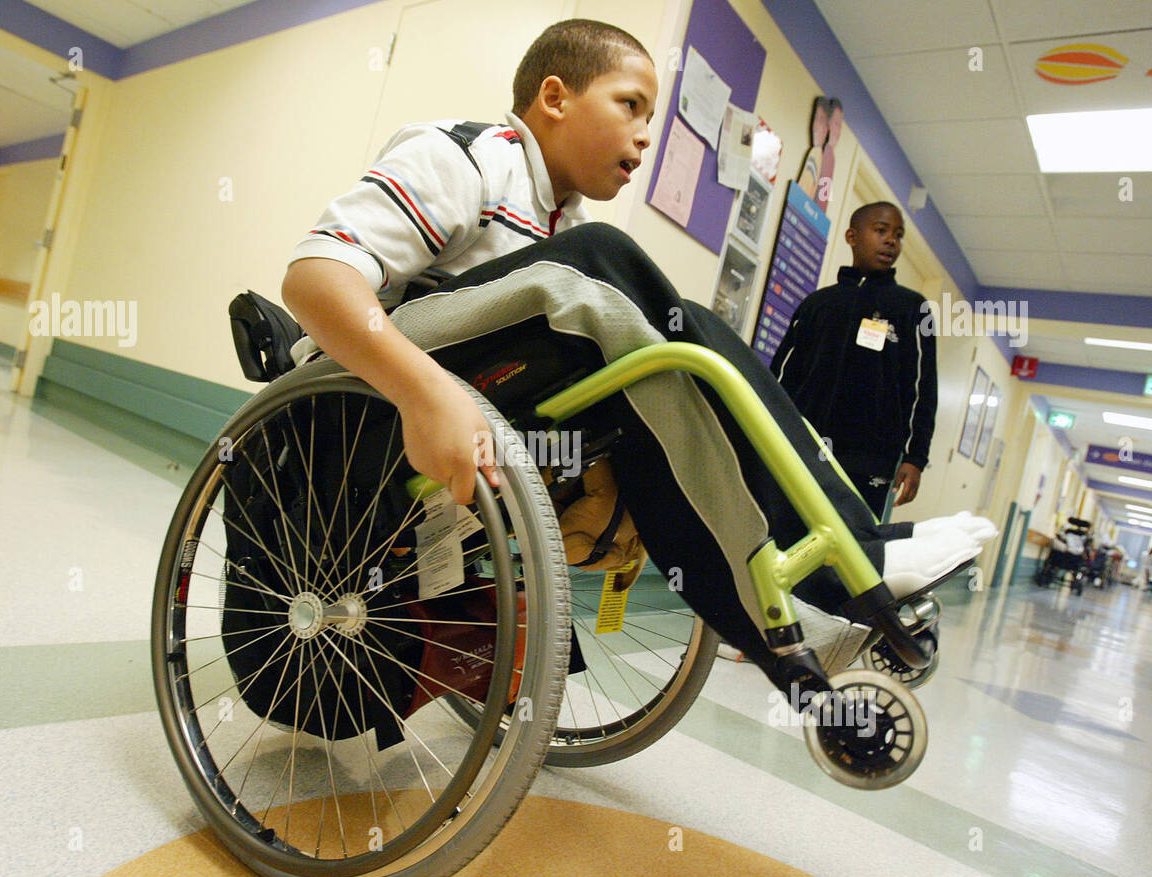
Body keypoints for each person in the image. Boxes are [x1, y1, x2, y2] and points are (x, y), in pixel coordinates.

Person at [280, 19, 990, 672]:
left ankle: (817, 587)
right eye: (631, 106)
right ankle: (835, 574)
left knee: (687, 335)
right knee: (600, 263)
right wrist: (421, 390)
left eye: (652, 116)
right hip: (352, 410)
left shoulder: (556, 224)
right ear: (554, 98)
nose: (646, 134)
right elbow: (314, 279)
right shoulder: (466, 158)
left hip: (478, 388)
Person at [771, 201, 937, 518]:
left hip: (870, 462)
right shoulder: (817, 304)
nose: (892, 241)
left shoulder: (913, 308)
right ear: (852, 236)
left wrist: (916, 457)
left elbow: (924, 389)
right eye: (881, 230)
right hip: (803, 451)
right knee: (788, 538)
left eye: (898, 235)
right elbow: (782, 377)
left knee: (850, 552)